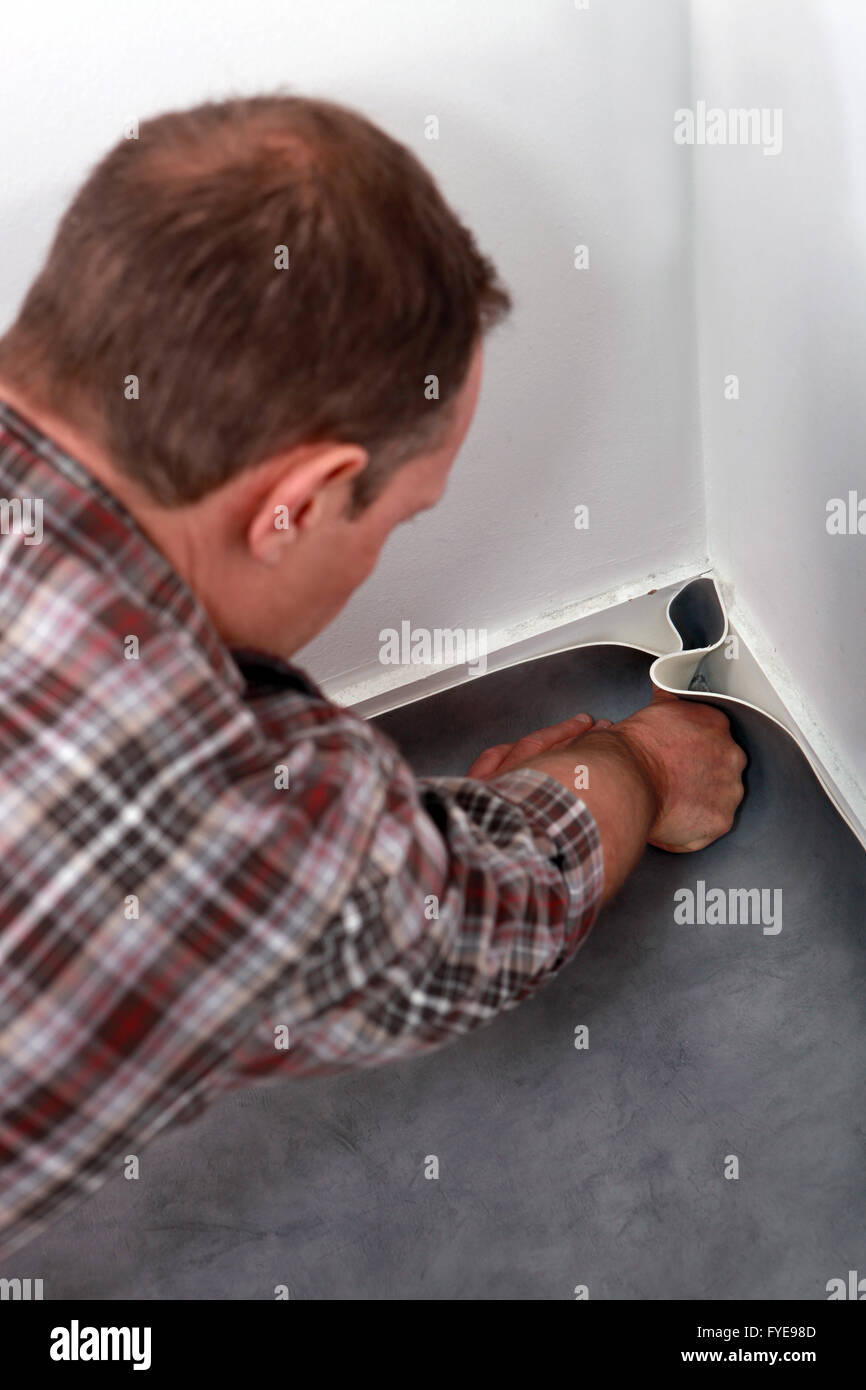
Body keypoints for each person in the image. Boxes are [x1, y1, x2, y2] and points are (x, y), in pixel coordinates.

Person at [0, 94, 745, 1260]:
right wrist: (635, 763)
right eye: (398, 519)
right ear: (295, 503)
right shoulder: (209, 810)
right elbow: (480, 918)